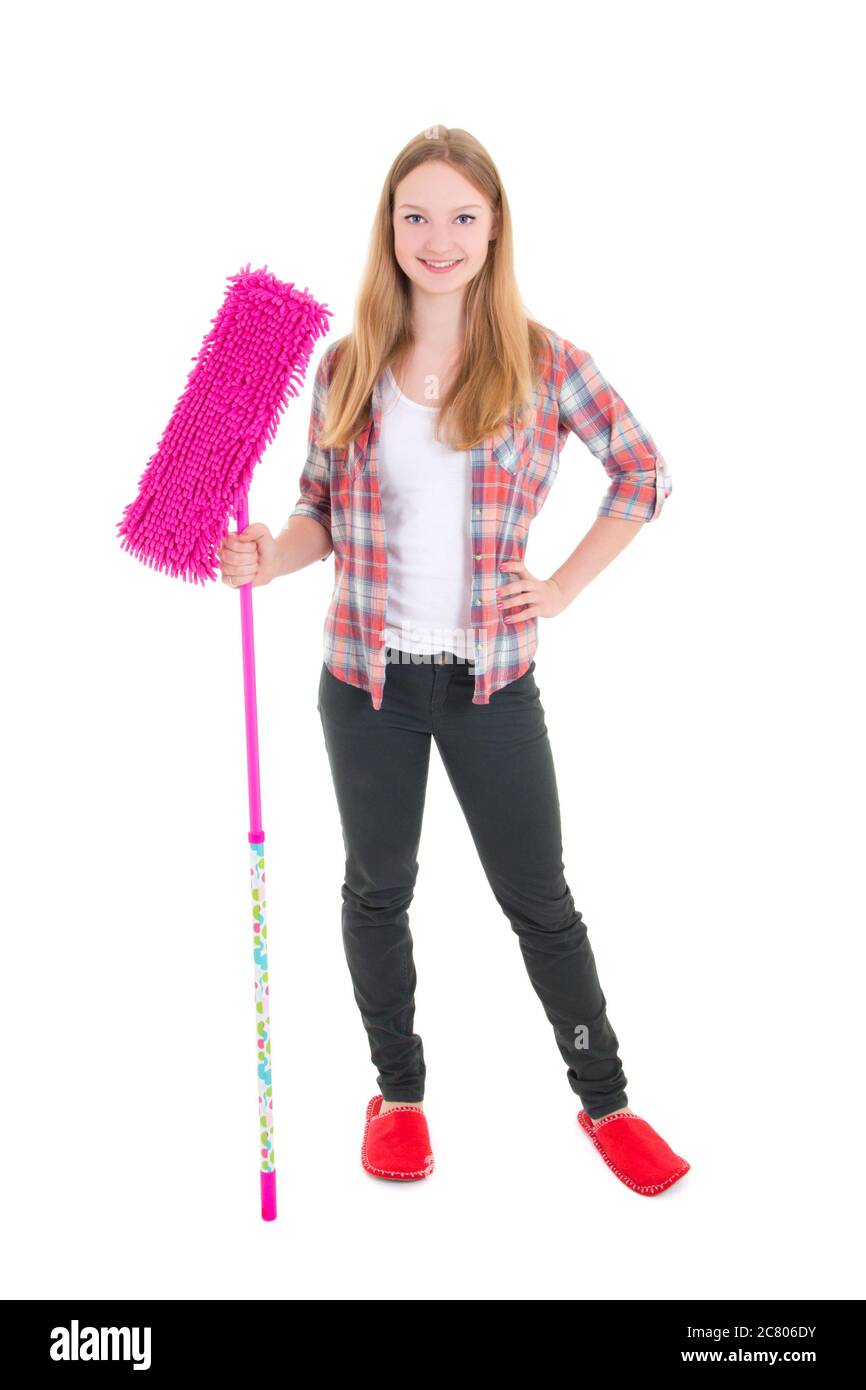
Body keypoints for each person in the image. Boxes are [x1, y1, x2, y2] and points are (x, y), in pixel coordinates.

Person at [217, 126, 689, 1196]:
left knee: (541, 900)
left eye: (460, 217)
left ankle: (605, 1101)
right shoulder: (346, 365)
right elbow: (315, 517)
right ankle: (398, 1094)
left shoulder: (543, 359)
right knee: (376, 890)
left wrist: (560, 587)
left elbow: (643, 475)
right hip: (364, 682)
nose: (438, 238)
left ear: (493, 229)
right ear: (390, 228)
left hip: (489, 684)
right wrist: (266, 559)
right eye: (415, 216)